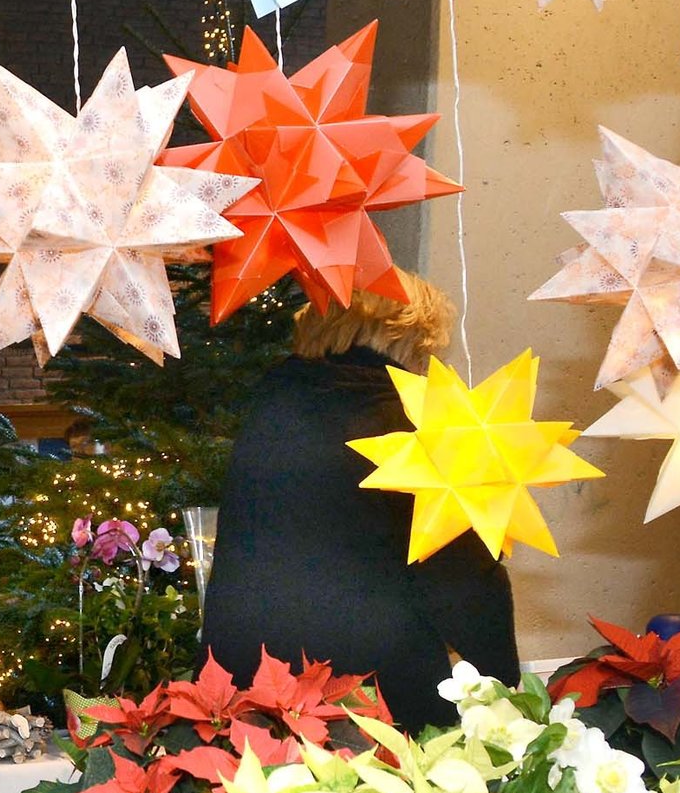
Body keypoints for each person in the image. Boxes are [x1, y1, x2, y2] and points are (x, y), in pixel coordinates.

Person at [199, 271, 519, 730]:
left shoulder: (271, 406)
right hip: (368, 702)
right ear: (406, 335)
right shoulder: (406, 420)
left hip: (249, 687)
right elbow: (457, 574)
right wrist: (505, 690)